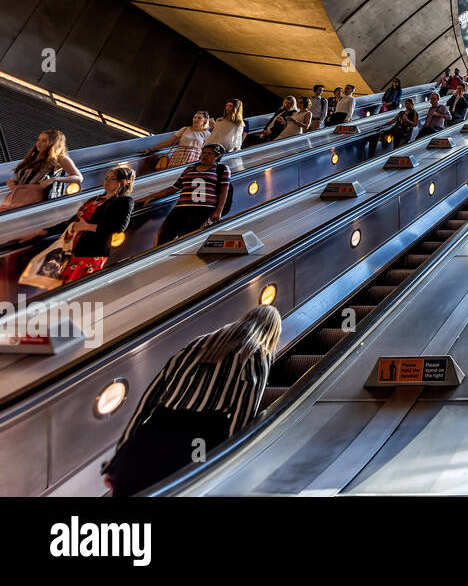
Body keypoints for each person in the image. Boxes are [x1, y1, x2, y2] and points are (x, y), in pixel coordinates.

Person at [104, 305, 280, 497]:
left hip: (154, 431)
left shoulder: (197, 344)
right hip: (199, 440)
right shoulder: (256, 355)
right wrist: (233, 464)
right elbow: (243, 415)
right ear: (272, 333)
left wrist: (120, 457)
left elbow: (147, 401)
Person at [19, 166, 138, 293]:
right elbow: (72, 221)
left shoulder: (125, 201)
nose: (106, 181)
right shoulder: (95, 199)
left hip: (90, 253)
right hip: (71, 250)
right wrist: (42, 231)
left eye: (112, 179)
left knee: (71, 290)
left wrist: (87, 227)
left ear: (124, 182)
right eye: (106, 178)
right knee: (59, 288)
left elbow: (119, 227)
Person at [145, 145, 231, 246]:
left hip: (203, 211)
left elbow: (224, 190)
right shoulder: (189, 168)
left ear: (217, 157)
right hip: (181, 209)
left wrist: (218, 211)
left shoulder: (221, 169)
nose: (205, 155)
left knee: (188, 239)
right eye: (203, 152)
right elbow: (174, 188)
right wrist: (151, 196)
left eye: (209, 153)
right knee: (164, 237)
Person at [2, 129, 83, 211]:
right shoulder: (34, 156)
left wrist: (54, 179)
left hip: (33, 203)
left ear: (53, 143)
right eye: (38, 140)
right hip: (13, 200)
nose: (38, 143)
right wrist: (14, 184)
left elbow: (78, 177)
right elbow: (28, 180)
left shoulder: (60, 158)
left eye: (44, 141)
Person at [144, 112, 210, 170]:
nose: (196, 119)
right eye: (195, 117)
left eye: (199, 118)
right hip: (178, 154)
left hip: (194, 156)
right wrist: (151, 149)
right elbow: (169, 142)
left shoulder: (206, 134)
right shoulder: (185, 129)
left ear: (205, 121)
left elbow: (206, 149)